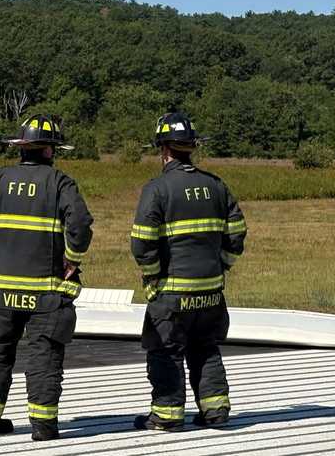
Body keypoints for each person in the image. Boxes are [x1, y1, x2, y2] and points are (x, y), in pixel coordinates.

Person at [0, 114, 94, 442]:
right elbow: (80, 226)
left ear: (21, 147)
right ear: (50, 150)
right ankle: (43, 425)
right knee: (44, 353)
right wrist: (72, 260)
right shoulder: (60, 183)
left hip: (4, 290)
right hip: (46, 292)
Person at [131, 112, 247, 431]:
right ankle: (216, 410)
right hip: (210, 292)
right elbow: (237, 234)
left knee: (164, 349)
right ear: (191, 147)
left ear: (163, 149)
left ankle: (167, 415)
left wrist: (153, 279)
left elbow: (142, 244)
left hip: (172, 293)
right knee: (205, 347)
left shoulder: (157, 189)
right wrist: (221, 265)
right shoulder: (216, 186)